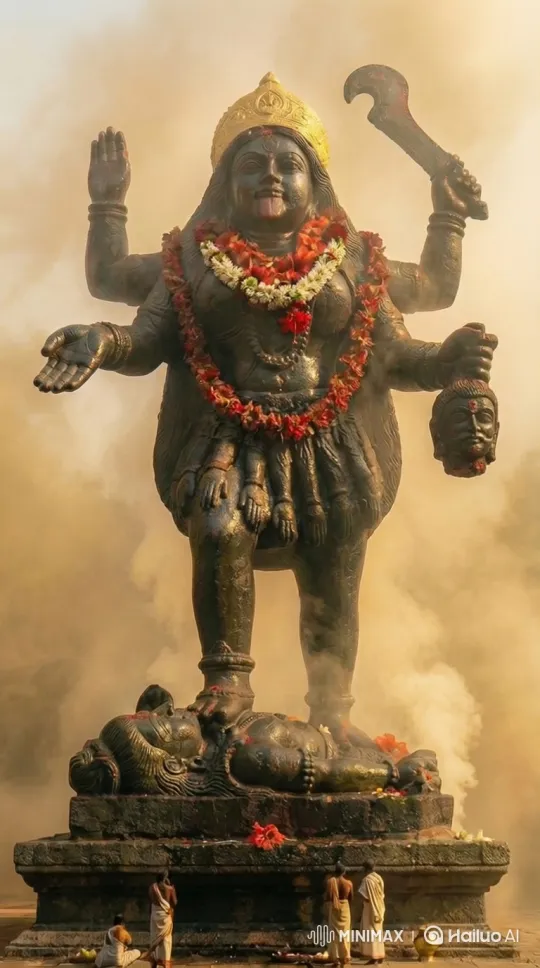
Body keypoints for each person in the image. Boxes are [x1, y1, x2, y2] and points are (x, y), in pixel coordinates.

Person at [34, 72, 496, 741]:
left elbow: (401, 345)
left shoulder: (354, 260)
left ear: (314, 181)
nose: (271, 176)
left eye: (288, 165)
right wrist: (102, 332)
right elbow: (141, 331)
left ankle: (334, 714)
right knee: (220, 531)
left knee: (334, 560)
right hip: (227, 442)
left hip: (329, 442)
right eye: (252, 165)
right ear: (227, 182)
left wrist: (448, 343)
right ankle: (226, 681)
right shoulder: (192, 259)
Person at [324, 862, 353, 966]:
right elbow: (350, 898)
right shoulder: (349, 883)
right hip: (345, 907)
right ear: (344, 872)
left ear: (334, 871)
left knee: (334, 934)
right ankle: (345, 956)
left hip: (334, 908)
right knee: (345, 932)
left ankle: (335, 958)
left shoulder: (330, 882)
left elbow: (328, 897)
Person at [358, 862, 385, 964]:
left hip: (370, 908)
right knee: (378, 930)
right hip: (380, 907)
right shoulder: (379, 878)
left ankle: (374, 956)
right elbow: (382, 894)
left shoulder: (367, 880)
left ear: (366, 869)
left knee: (371, 931)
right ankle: (380, 954)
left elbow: (364, 895)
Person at [148, 871, 176, 968]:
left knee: (154, 936)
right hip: (165, 916)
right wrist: (172, 887)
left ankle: (154, 961)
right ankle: (165, 963)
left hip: (155, 915)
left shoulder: (152, 888)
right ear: (165, 878)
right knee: (166, 939)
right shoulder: (170, 889)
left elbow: (150, 900)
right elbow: (175, 902)